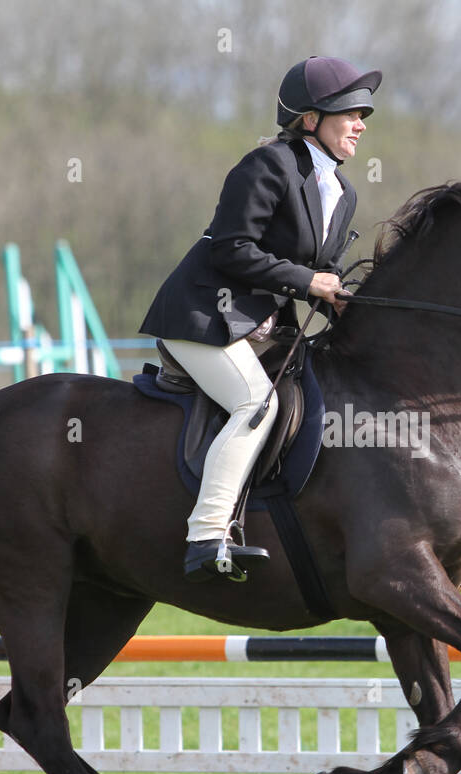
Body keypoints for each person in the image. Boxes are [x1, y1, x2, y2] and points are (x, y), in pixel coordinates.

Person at [140, 56, 380, 581]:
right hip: (201, 316)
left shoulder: (342, 193)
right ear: (310, 119)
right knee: (257, 402)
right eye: (350, 113)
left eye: (364, 114)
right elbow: (231, 248)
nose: (361, 123)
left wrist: (339, 293)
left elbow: (324, 269)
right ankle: (206, 535)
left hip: (260, 327)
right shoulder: (266, 166)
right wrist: (308, 281)